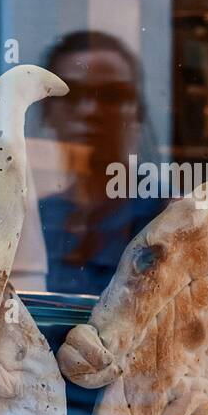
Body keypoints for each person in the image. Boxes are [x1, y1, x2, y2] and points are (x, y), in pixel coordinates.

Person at [38, 31, 164, 295]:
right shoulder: (36, 217)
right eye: (70, 95)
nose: (89, 110)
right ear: (47, 111)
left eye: (111, 96)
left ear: (137, 111)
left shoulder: (168, 215)